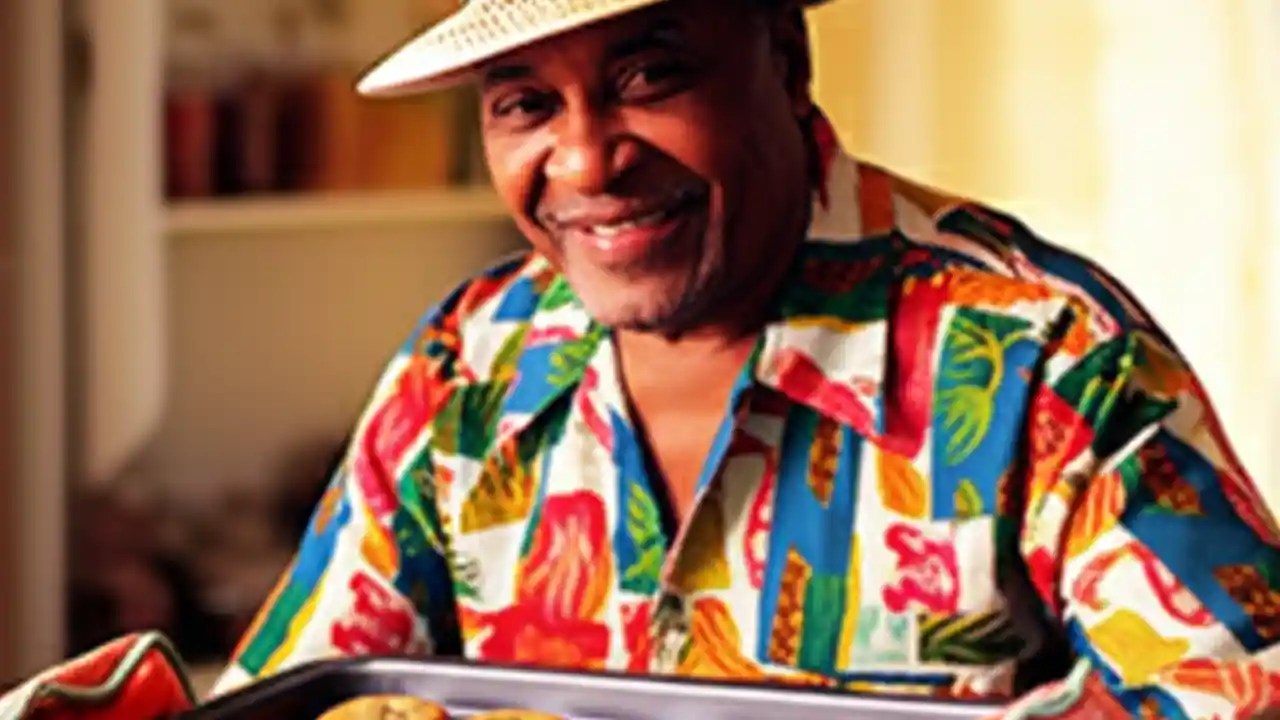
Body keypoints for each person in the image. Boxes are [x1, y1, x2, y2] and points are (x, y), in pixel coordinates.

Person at [3, 0, 1275, 718]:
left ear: (784, 61)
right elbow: (309, 691)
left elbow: (1236, 696)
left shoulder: (1044, 359)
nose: (584, 160)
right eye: (524, 103)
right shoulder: (468, 369)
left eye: (649, 75)